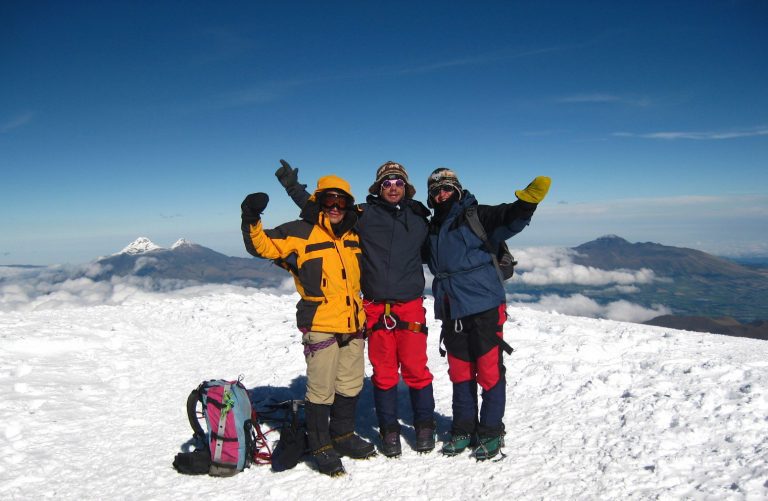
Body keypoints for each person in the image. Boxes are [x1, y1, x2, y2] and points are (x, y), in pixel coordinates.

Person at [275, 160, 435, 458]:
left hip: (410, 306)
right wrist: (294, 189)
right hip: (375, 308)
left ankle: (425, 424)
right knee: (385, 372)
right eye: (387, 183)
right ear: (378, 187)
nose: (393, 188)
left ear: (406, 187)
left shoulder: (419, 218)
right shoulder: (362, 215)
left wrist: (496, 253)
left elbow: (446, 239)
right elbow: (323, 210)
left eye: (398, 183)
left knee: (416, 369)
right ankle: (389, 430)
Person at [240, 175, 375, 477]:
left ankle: (343, 436)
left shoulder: (354, 233)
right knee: (321, 390)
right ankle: (321, 446)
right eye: (329, 200)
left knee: (351, 384)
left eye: (342, 200)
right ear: (320, 202)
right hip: (320, 323)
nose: (336, 206)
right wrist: (250, 216)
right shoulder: (300, 232)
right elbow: (261, 246)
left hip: (353, 323)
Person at [424, 167, 550, 461]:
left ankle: (491, 431)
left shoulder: (477, 216)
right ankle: (463, 429)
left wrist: (527, 203)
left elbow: (510, 218)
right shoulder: (431, 229)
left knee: (490, 372)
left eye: (446, 188)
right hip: (452, 309)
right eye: (436, 191)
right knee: (460, 373)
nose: (441, 194)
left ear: (457, 190)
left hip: (484, 307)